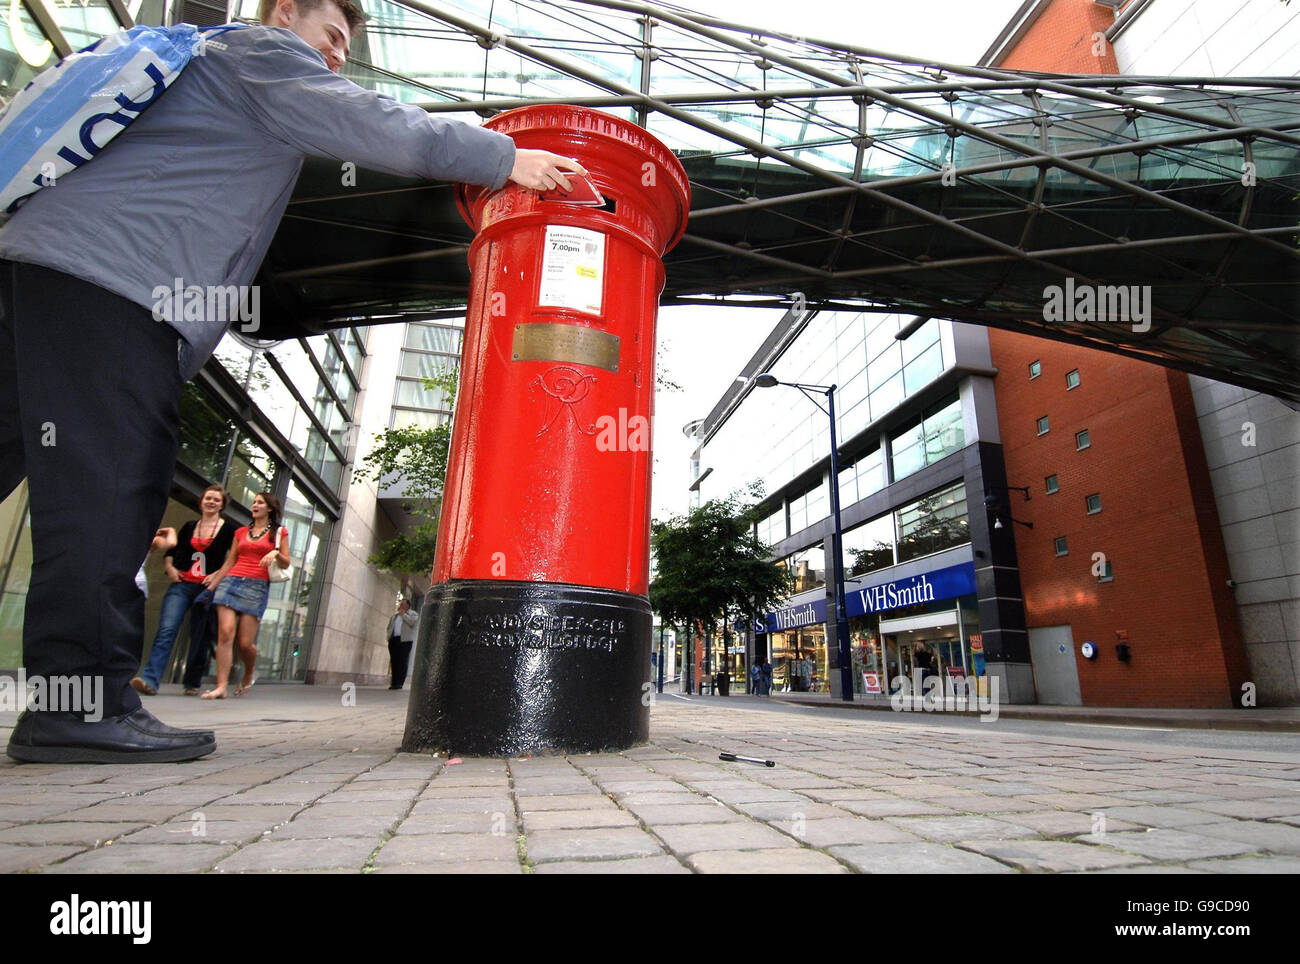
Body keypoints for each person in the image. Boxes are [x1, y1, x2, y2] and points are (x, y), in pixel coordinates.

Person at [0, 0, 583, 763]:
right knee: (109, 488)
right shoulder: (255, 52)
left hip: (40, 267)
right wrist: (506, 160)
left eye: (344, 45)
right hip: (115, 285)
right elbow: (375, 122)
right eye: (330, 35)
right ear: (284, 13)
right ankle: (75, 711)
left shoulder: (197, 63)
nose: (336, 56)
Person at [130, 484, 234, 696]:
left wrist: (216, 576)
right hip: (182, 585)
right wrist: (170, 568)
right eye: (208, 498)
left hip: (206, 589)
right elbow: (172, 552)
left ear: (222, 505)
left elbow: (232, 558)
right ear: (201, 501)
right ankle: (150, 680)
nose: (211, 502)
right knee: (167, 629)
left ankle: (192, 681)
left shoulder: (228, 530)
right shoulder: (188, 526)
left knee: (199, 635)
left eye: (216, 499)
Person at [200, 492, 289, 699]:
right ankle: (221, 686)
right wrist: (212, 586)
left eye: (260, 502)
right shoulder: (240, 532)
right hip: (231, 582)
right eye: (254, 502)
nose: (254, 505)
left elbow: (286, 563)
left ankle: (248, 672)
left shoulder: (279, 533)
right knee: (225, 633)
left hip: (256, 587)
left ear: (269, 508)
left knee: (244, 643)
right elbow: (230, 561)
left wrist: (275, 553)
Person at [387, 599, 418, 690]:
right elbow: (389, 626)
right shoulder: (395, 616)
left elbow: (412, 623)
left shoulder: (413, 614)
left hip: (405, 641)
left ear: (408, 606)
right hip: (394, 640)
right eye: (401, 604)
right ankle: (393, 683)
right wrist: (389, 636)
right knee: (394, 661)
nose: (401, 606)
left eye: (403, 604)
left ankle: (399, 683)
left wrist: (403, 614)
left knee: (402, 661)